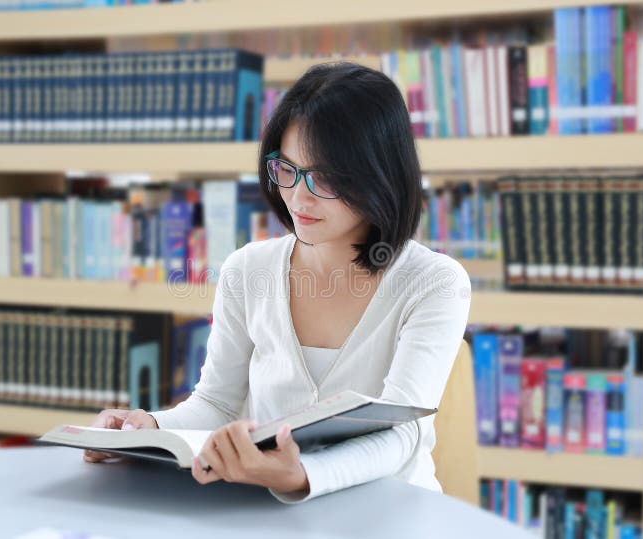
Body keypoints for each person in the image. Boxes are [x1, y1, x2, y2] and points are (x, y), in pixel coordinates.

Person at [84, 62, 471, 503]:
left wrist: (301, 474)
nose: (298, 197)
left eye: (326, 178)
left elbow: (403, 435)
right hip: (274, 515)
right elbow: (217, 405)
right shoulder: (248, 270)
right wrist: (147, 428)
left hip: (394, 516)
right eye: (287, 169)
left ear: (379, 174)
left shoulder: (434, 283)